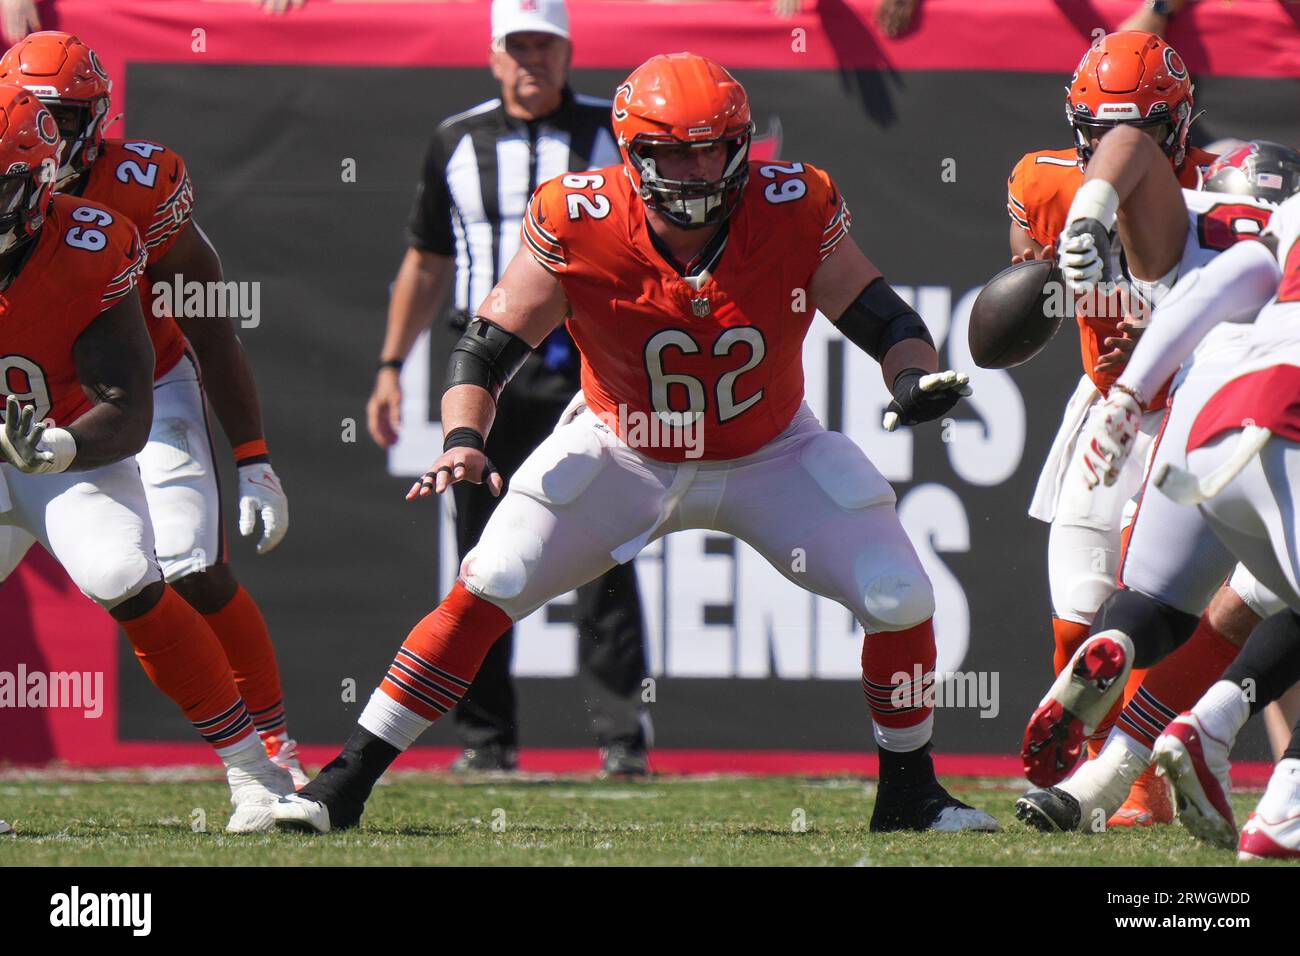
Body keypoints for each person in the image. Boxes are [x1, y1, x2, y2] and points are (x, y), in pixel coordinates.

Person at [275, 51, 996, 835]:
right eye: (669, 151)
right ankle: (339, 786)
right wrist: (464, 436)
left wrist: (910, 380)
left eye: (709, 147)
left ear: (741, 144)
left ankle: (910, 796)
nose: (692, 169)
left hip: (770, 452)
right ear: (630, 154)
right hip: (624, 448)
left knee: (900, 596)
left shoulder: (794, 203)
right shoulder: (579, 216)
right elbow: (486, 343)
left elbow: (883, 317)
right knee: (491, 577)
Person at [0, 32, 304, 784]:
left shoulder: (138, 184)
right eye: (33, 114)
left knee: (188, 566)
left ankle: (271, 753)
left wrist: (253, 456)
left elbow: (205, 312)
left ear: (96, 119)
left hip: (137, 381)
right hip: (21, 393)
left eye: (63, 118)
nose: (48, 134)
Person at [366, 0, 651, 774]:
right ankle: (486, 741)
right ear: (494, 54)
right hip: (485, 376)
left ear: (567, 51)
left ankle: (622, 739)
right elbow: (426, 260)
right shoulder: (457, 140)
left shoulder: (614, 136)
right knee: (482, 557)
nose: (533, 59)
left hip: (584, 374)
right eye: (518, 45)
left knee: (605, 550)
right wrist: (392, 366)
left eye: (545, 45)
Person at [1014, 131, 1300, 833]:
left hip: (1203, 418)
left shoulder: (1243, 225)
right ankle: (1281, 803)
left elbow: (1222, 280)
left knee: (1162, 610)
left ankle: (1123, 757)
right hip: (1290, 422)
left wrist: (1125, 392)